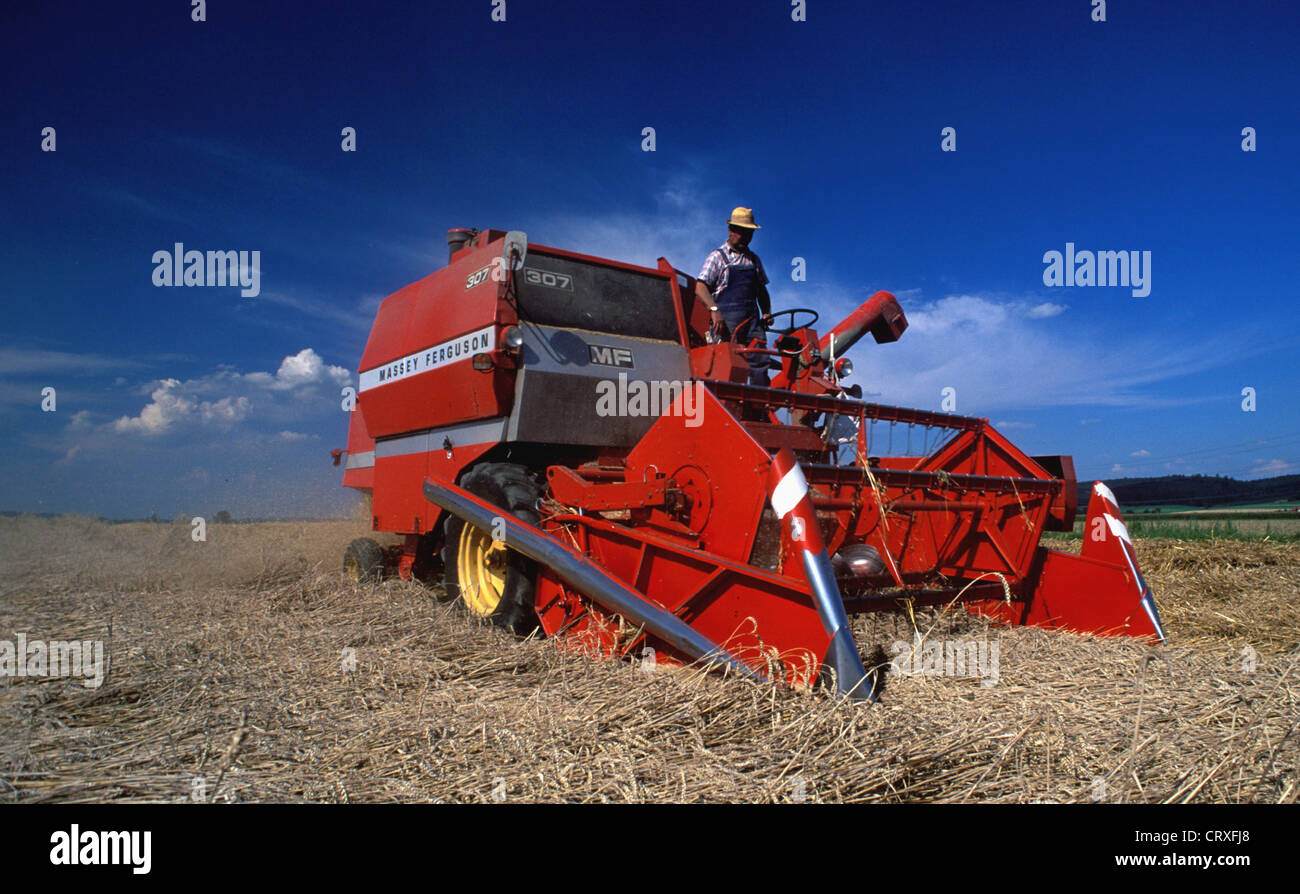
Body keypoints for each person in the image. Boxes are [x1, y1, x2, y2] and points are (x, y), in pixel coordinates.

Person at [695, 207, 774, 387]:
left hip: (752, 322)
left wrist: (767, 312)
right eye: (742, 232)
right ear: (731, 230)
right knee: (727, 362)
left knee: (760, 361)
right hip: (726, 322)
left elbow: (761, 290)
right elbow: (700, 288)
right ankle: (724, 404)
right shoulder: (718, 258)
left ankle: (758, 407)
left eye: (750, 233)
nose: (746, 236)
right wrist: (714, 310)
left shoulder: (754, 260)